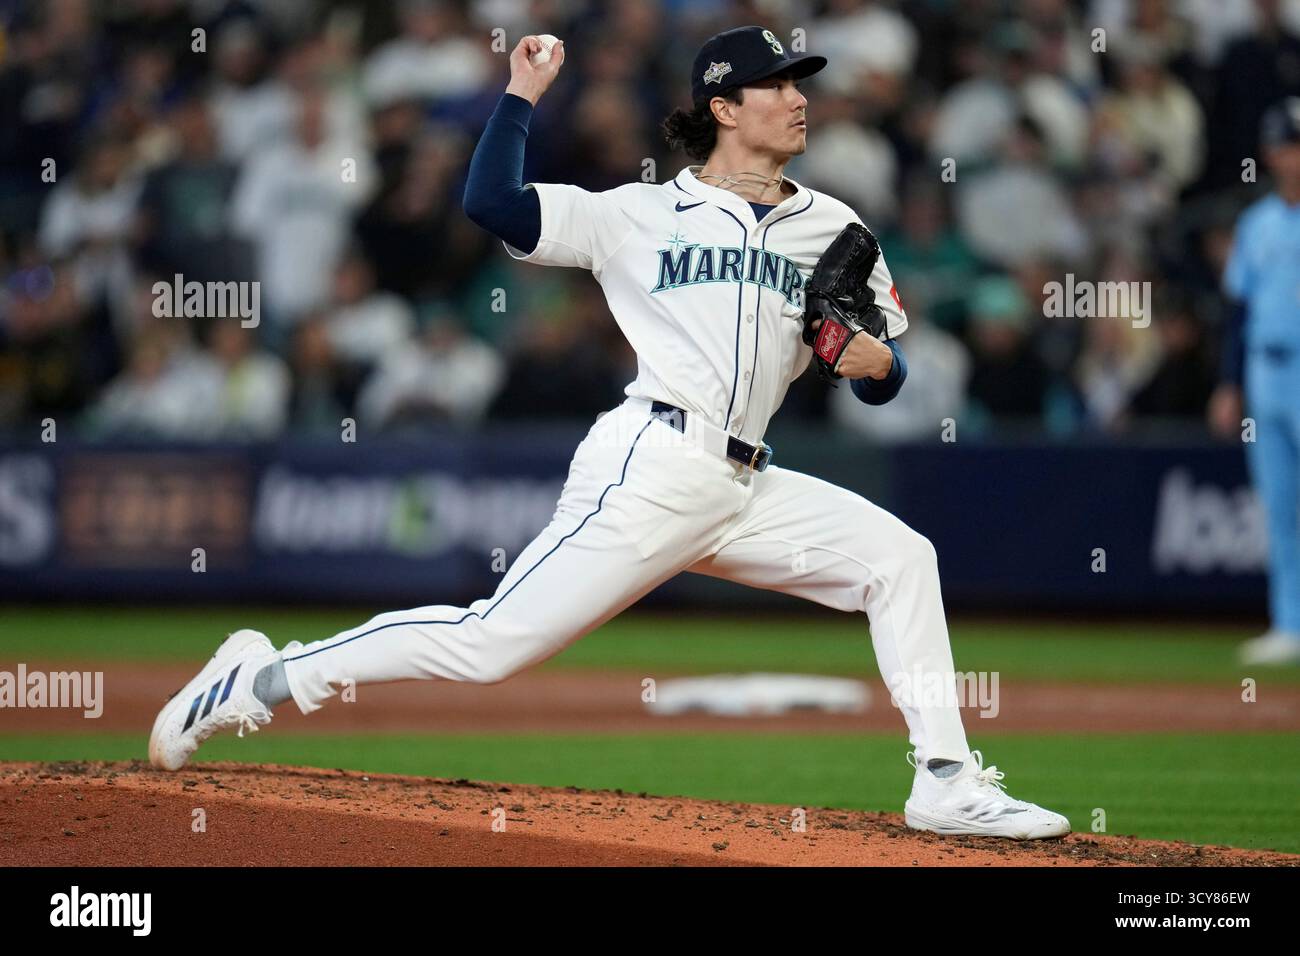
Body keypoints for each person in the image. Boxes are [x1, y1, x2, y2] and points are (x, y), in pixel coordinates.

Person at [149, 26, 1070, 840]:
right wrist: (520, 95)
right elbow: (493, 205)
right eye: (778, 84)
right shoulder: (638, 214)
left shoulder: (833, 227)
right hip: (655, 463)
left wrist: (879, 367)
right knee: (490, 645)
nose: (799, 98)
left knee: (900, 559)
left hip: (747, 483)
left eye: (802, 83)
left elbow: (879, 375)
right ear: (722, 106)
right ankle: (262, 678)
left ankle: (946, 782)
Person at [1210, 98, 1300, 666]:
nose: (1285, 156)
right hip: (1265, 370)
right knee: (1279, 504)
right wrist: (1227, 384)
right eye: (1280, 146)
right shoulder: (1257, 221)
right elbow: (1238, 311)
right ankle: (1289, 624)